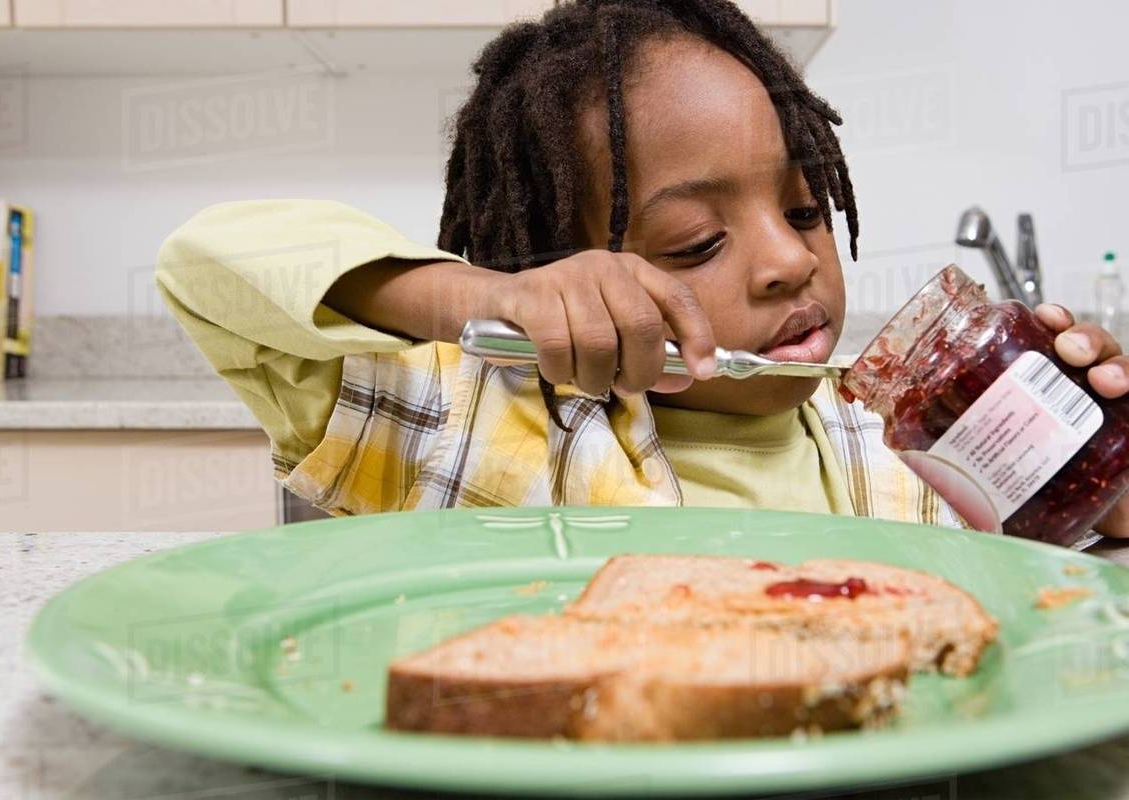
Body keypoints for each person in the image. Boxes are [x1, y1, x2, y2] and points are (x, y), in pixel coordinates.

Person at [155, 0, 1129, 536]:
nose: (791, 260)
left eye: (803, 209)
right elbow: (206, 262)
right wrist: (486, 302)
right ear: (558, 276)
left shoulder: (904, 445)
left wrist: (1106, 498)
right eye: (697, 244)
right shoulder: (462, 418)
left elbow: (1044, 621)